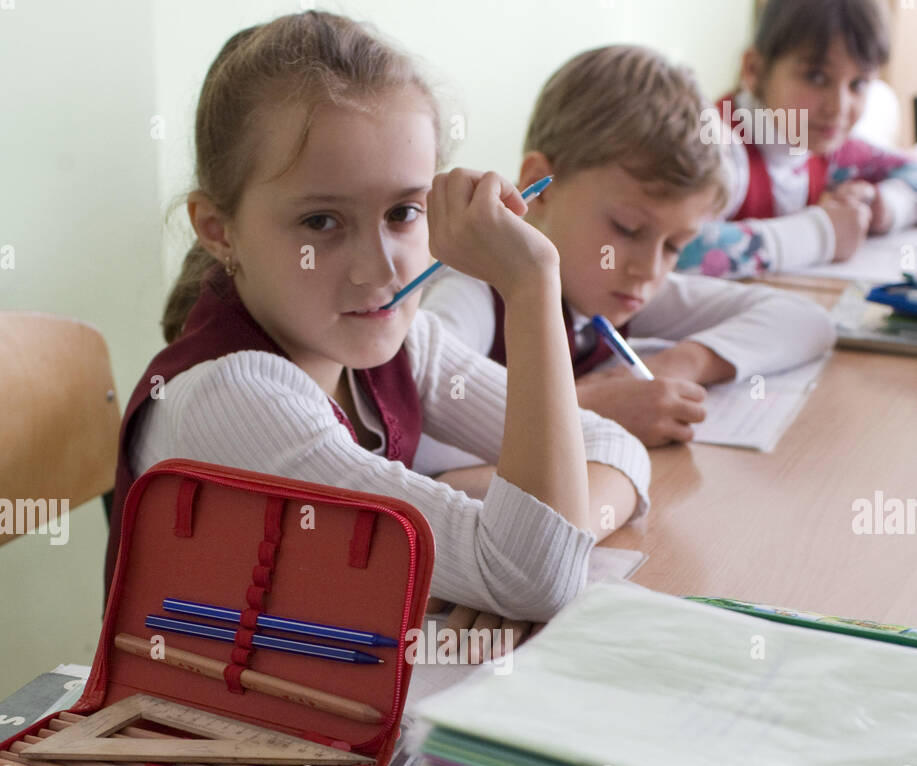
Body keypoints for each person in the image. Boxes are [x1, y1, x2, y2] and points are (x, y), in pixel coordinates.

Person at [104, 10, 650, 631]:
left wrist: (544, 542)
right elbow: (537, 578)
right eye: (321, 222)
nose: (378, 270)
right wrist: (529, 284)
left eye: (402, 212)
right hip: (205, 728)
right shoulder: (231, 400)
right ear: (217, 229)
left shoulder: (401, 343)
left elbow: (613, 449)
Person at [418, 45, 836, 456]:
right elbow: (414, 428)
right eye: (627, 229)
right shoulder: (476, 290)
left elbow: (808, 322)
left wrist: (682, 363)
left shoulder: (611, 295)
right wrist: (590, 409)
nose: (648, 269)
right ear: (540, 188)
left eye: (675, 245)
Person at [677, 0, 917, 279]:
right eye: (816, 77)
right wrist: (821, 234)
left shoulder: (828, 148)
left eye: (858, 84)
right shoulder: (716, 150)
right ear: (754, 70)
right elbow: (671, 248)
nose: (838, 108)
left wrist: (880, 206)